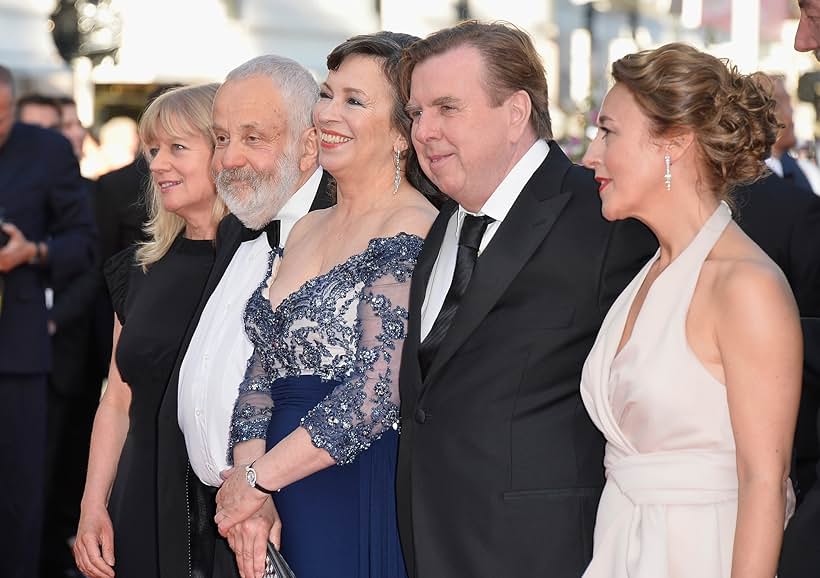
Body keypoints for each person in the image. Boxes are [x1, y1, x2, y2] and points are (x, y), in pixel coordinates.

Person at [393, 21, 655, 578]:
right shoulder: (444, 226)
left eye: (446, 108)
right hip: (430, 542)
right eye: (416, 114)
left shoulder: (605, 217)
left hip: (545, 552)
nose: (424, 131)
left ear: (515, 112)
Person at [213, 31, 438, 578]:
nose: (327, 114)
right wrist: (252, 493)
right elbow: (260, 371)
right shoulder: (305, 226)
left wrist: (258, 479)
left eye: (354, 101)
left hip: (353, 479)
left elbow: (377, 391)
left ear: (403, 135)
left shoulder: (412, 225)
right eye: (327, 93)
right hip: (273, 492)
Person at [579, 43, 801, 578]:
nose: (590, 154)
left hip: (706, 553)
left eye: (608, 131)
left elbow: (764, 484)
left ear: (673, 145)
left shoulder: (746, 287)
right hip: (624, 547)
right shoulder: (649, 273)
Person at [156, 55, 334, 578]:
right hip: (218, 515)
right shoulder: (240, 225)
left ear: (308, 144)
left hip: (292, 517)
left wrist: (258, 484)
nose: (228, 159)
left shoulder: (341, 228)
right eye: (222, 138)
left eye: (253, 138)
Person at [72, 83, 227, 578]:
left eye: (177, 148)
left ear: (224, 150)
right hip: (136, 497)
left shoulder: (267, 264)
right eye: (153, 149)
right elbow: (117, 400)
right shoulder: (137, 269)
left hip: (221, 508)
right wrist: (93, 504)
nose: (157, 164)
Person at [0, 64, 95, 578]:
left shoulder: (45, 152)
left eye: (2, 115)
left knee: (17, 495)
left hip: (17, 352)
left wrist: (31, 252)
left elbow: (83, 244)